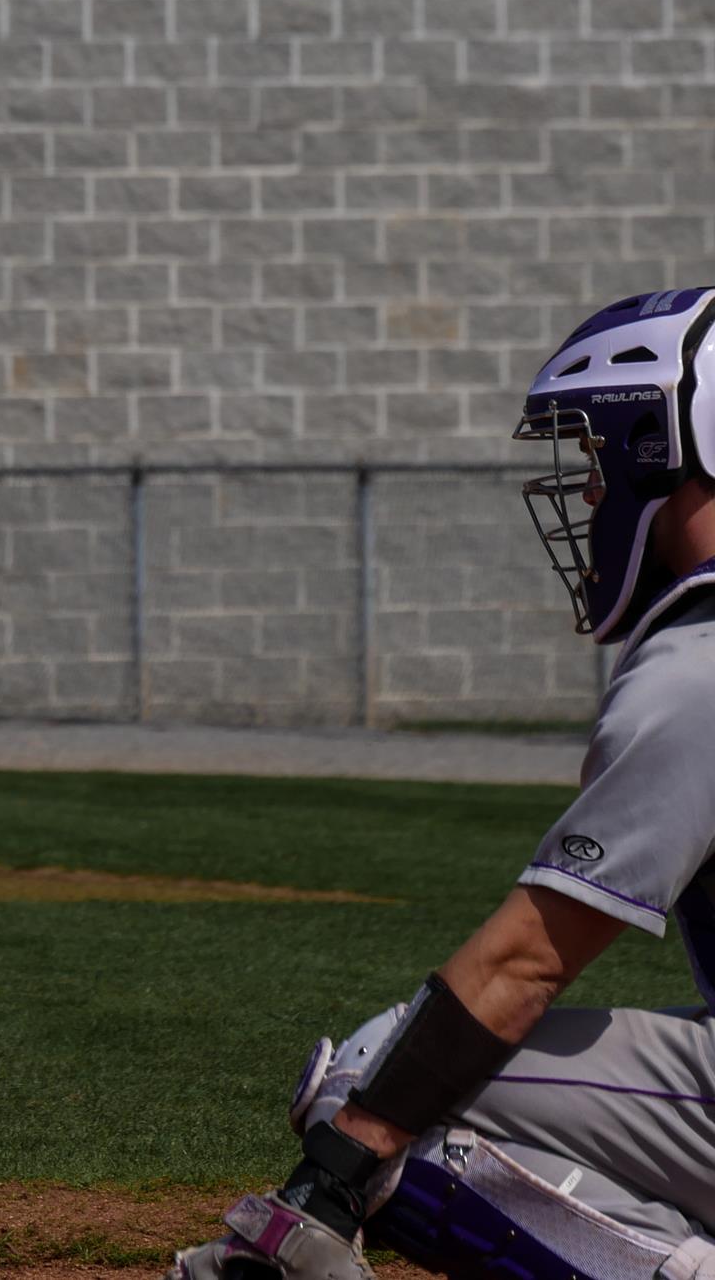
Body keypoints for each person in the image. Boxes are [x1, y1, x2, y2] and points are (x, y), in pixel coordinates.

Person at [172, 285, 715, 1280]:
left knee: (373, 1076)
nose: (590, 495)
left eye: (600, 460)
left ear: (663, 448)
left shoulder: (698, 669)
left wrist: (328, 1182)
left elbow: (527, 961)